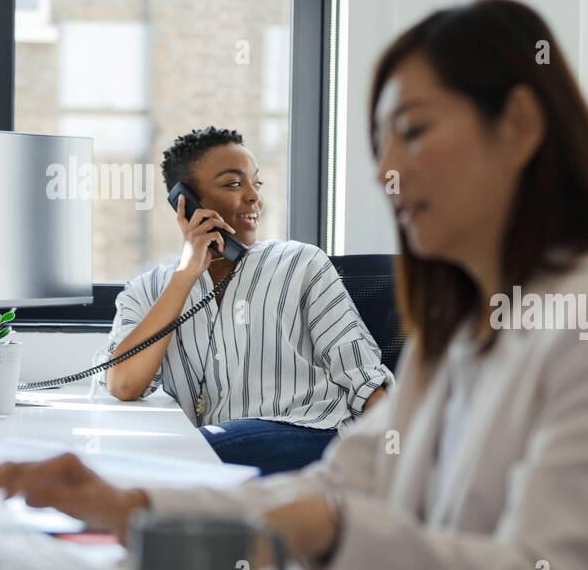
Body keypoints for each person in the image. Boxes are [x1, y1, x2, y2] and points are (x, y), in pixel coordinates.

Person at [0, 0, 588, 570]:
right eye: (378, 143)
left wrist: (329, 531)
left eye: (412, 132)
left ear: (517, 125)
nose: (387, 170)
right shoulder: (455, 328)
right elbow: (339, 484)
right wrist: (128, 503)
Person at [97, 127, 390, 475]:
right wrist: (187, 273)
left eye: (256, 184)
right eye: (234, 184)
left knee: (176, 459)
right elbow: (124, 384)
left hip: (313, 435)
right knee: (176, 458)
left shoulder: (300, 262)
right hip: (222, 450)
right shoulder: (148, 290)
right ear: (185, 202)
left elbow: (362, 375)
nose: (255, 198)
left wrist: (398, 463)